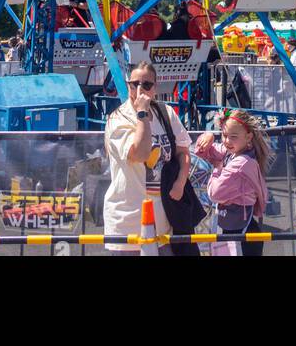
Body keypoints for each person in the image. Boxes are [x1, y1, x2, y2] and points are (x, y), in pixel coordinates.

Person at [103, 61, 191, 254]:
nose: (140, 89)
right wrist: (142, 115)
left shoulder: (165, 113)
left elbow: (183, 151)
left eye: (147, 85)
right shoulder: (118, 119)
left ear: (155, 88)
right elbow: (140, 154)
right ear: (128, 86)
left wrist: (180, 182)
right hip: (129, 222)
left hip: (164, 221)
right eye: (135, 84)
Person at [195, 111, 271, 256]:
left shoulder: (241, 163)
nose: (227, 141)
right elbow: (202, 151)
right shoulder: (235, 152)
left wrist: (217, 168)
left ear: (248, 136)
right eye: (224, 135)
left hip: (241, 235)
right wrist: (209, 136)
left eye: (233, 137)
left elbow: (214, 193)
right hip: (234, 227)